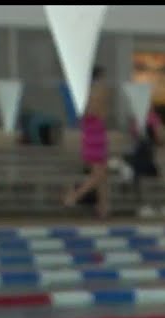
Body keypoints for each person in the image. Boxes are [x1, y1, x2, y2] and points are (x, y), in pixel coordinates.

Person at [63, 65, 112, 218]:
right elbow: (95, 111)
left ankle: (103, 207)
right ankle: (74, 196)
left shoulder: (84, 92)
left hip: (93, 132)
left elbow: (85, 113)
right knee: (98, 175)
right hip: (95, 134)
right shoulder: (97, 91)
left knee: (101, 173)